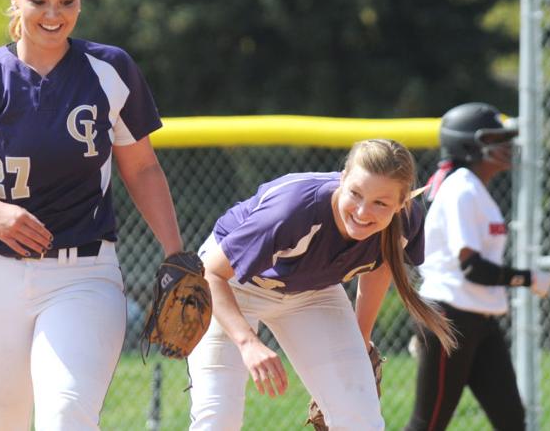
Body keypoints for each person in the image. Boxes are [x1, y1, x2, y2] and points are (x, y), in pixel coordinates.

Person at [0, 0, 185, 431]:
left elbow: (142, 168)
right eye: (39, 0)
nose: (54, 13)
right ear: (16, 1)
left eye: (67, 1)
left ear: (80, 2)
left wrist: (175, 252)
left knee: (68, 413)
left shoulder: (109, 68)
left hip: (83, 272)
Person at [187, 138, 457, 431]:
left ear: (402, 203)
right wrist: (248, 343)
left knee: (359, 417)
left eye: (380, 202)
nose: (363, 212)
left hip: (312, 293)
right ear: (342, 178)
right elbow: (210, 274)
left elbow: (378, 268)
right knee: (217, 419)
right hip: (234, 285)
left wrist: (360, 340)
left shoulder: (404, 221)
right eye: (355, 193)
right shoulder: (295, 210)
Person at [405, 102, 550, 431]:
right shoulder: (461, 188)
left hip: (479, 318)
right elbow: (473, 267)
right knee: (428, 423)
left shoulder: (472, 187)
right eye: (494, 140)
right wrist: (527, 278)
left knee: (512, 420)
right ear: (469, 145)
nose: (505, 147)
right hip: (450, 317)